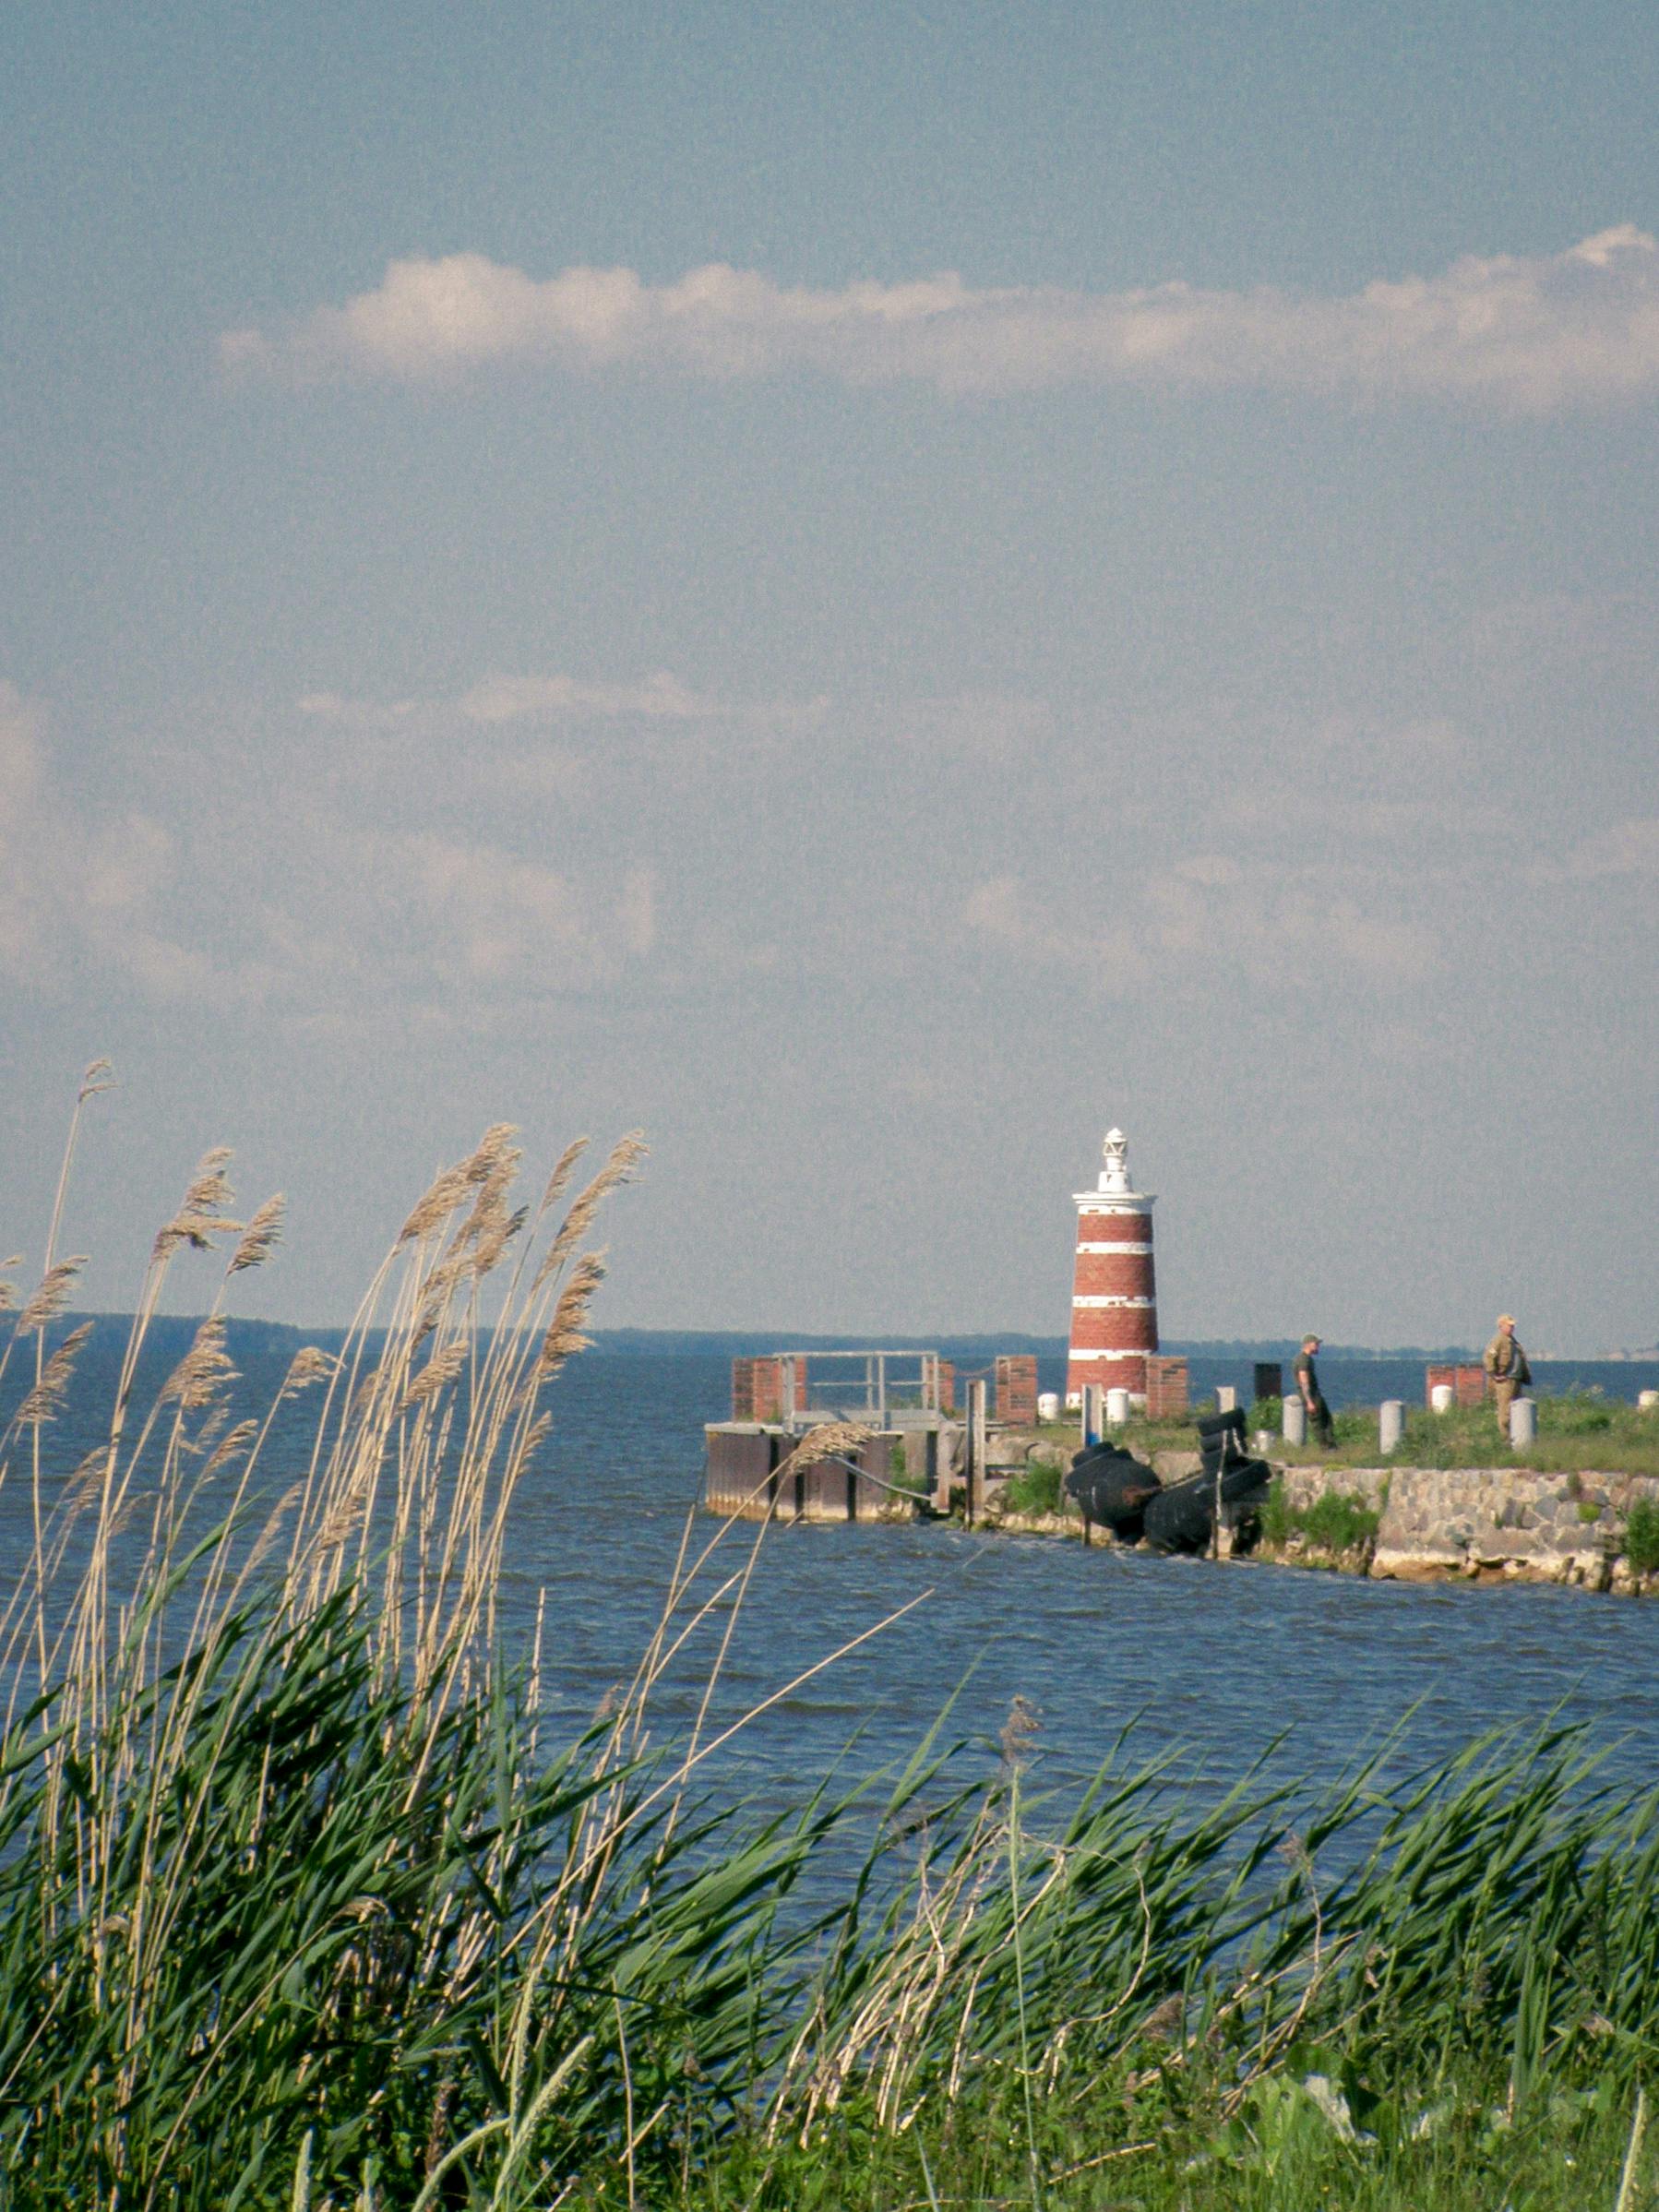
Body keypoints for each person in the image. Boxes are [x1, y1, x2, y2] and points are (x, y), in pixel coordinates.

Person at [1484, 1314, 1533, 1441]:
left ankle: (1518, 1438)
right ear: (1501, 1326)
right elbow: (1489, 1357)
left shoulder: (1514, 1342)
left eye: (1513, 1326)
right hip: (1505, 1381)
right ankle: (1505, 1439)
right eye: (1509, 1325)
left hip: (1516, 1381)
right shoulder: (1499, 1341)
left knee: (1517, 1411)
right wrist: (1494, 1375)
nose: (1512, 1327)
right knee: (1505, 1413)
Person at [1294, 1334, 1335, 1449]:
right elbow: (1304, 1380)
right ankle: (1326, 1448)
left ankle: (1331, 1445)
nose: (1318, 1346)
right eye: (1316, 1344)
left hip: (1314, 1394)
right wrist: (1309, 1401)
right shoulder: (1303, 1360)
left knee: (1326, 1420)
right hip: (1311, 1396)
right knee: (1318, 1423)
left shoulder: (1307, 1359)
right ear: (1308, 1345)